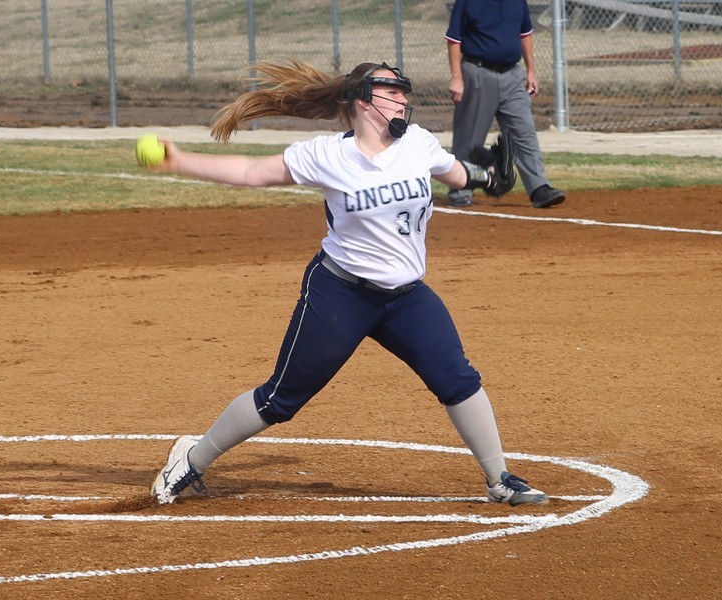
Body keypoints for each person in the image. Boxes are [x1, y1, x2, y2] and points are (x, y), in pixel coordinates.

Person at [143, 59, 548, 507]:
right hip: (340, 294)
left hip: (406, 297)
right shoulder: (326, 155)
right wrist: (179, 161)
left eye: (403, 91)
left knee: (457, 379)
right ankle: (191, 459)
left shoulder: (417, 142)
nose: (403, 99)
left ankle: (498, 479)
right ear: (362, 100)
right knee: (282, 398)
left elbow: (454, 172)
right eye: (392, 91)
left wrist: (489, 177)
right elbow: (252, 173)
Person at [445, 0, 566, 209]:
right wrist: (457, 77)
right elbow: (454, 39)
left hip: (512, 74)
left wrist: (530, 71)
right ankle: (461, 188)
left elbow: (525, 34)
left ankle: (539, 188)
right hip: (478, 72)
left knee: (524, 132)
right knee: (470, 135)